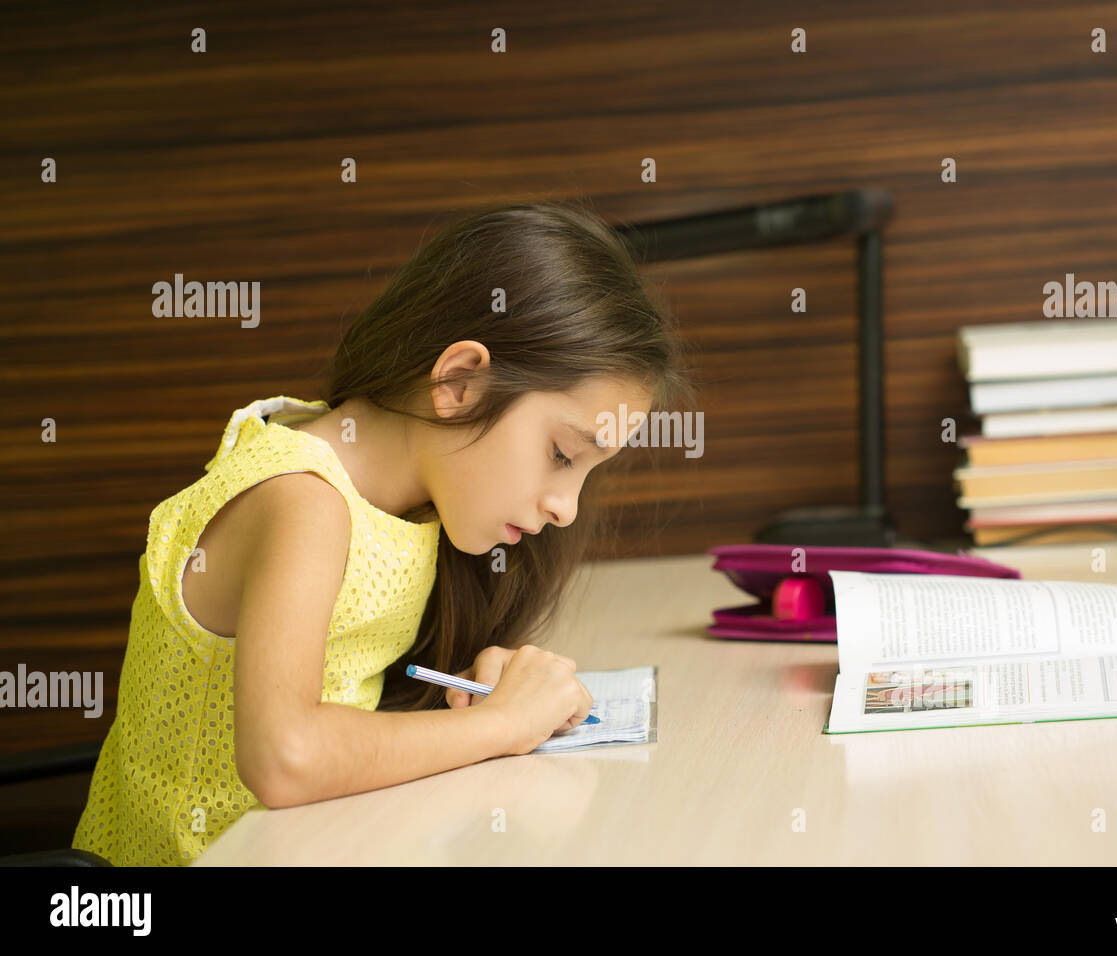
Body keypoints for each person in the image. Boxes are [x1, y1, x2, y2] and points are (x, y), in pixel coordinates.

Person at [71, 198, 697, 865]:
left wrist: (470, 688)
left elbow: (348, 687)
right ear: (459, 383)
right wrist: (499, 725)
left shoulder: (419, 504)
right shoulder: (303, 501)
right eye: (563, 456)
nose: (567, 508)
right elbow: (285, 757)